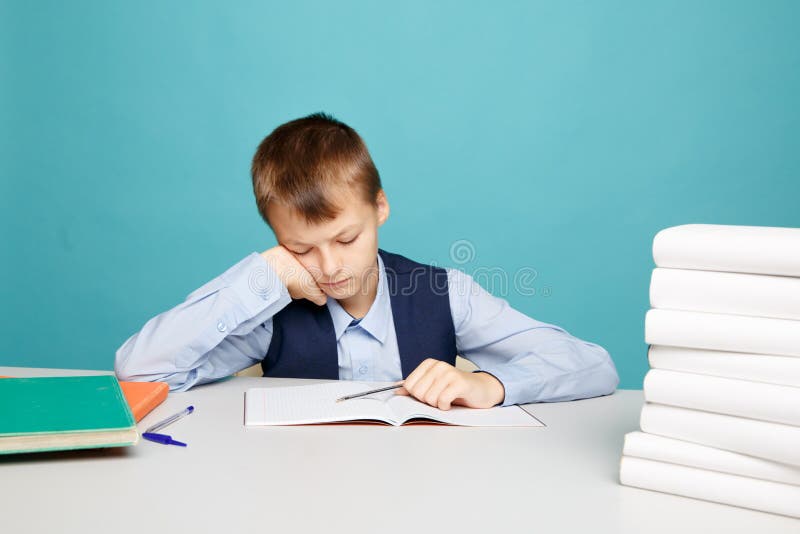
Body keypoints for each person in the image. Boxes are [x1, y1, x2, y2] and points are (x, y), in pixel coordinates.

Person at [115, 112, 619, 410]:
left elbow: (594, 366)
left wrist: (491, 384)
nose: (330, 266)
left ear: (379, 208)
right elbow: (138, 372)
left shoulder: (448, 294)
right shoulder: (271, 310)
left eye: (347, 238)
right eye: (300, 249)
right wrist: (259, 279)